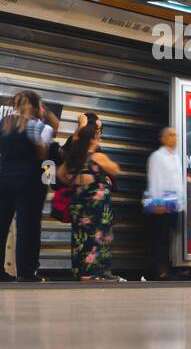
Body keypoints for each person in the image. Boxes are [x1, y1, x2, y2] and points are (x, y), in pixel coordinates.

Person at [0, 90, 57, 282]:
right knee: (28, 227)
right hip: (29, 183)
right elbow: (42, 156)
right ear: (35, 106)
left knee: (1, 225)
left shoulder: (4, 124)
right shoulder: (39, 127)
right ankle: (26, 272)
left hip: (4, 179)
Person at [59, 114, 121, 281]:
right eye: (98, 130)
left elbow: (61, 174)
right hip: (96, 208)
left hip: (80, 206)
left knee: (82, 238)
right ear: (93, 135)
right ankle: (93, 273)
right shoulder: (95, 155)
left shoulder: (75, 155)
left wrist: (77, 181)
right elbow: (115, 169)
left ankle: (84, 272)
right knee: (97, 238)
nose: (100, 133)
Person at [142, 126, 184, 281]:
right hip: (161, 205)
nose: (174, 137)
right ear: (163, 138)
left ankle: (167, 268)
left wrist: (181, 203)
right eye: (170, 135)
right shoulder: (157, 156)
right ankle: (160, 271)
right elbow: (155, 181)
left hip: (173, 204)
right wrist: (157, 203)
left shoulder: (175, 157)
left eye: (175, 135)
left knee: (168, 239)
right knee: (159, 239)